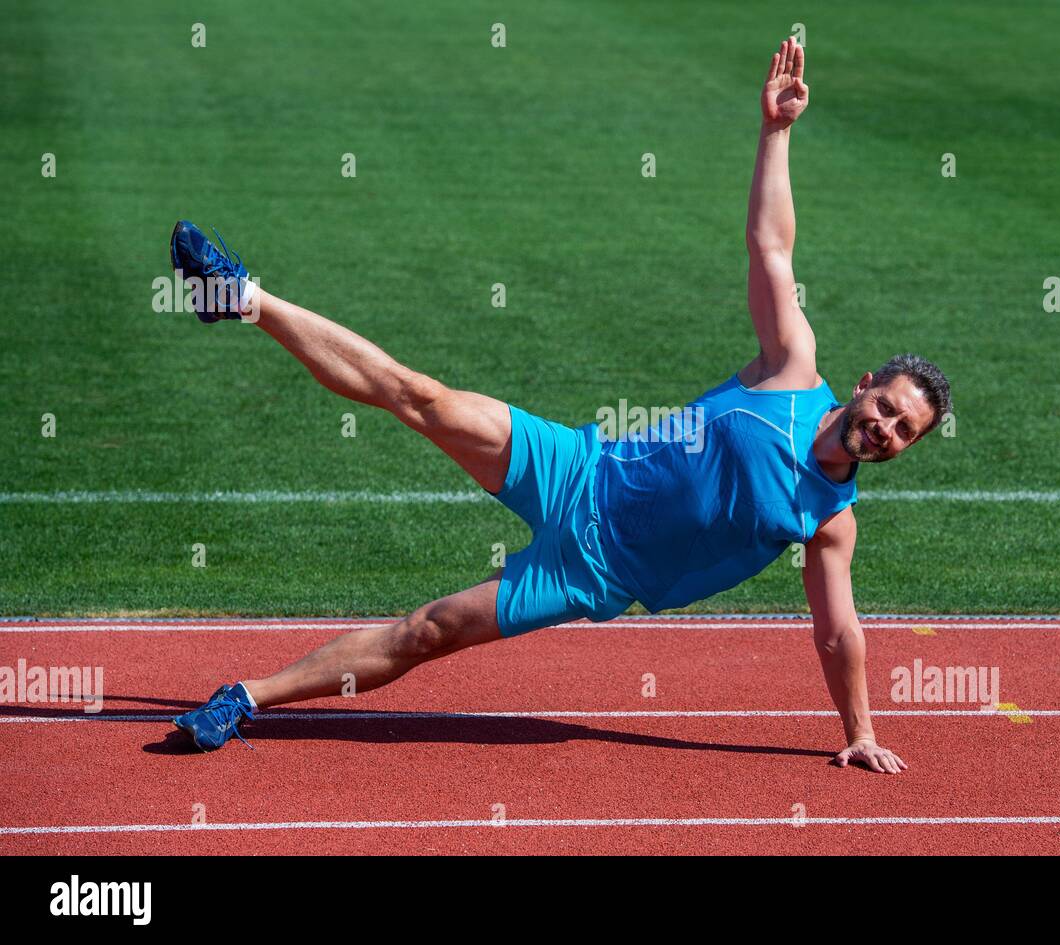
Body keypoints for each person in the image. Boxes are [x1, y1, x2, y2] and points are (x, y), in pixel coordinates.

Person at [171, 38, 949, 774]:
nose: (883, 428)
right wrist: (774, 132)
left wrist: (861, 733)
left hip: (591, 570)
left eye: (901, 431)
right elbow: (771, 249)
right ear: (863, 384)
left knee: (428, 630)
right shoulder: (790, 369)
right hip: (578, 464)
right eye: (886, 406)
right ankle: (238, 296)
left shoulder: (830, 521)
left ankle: (244, 698)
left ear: (905, 448)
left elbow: (838, 632)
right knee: (422, 396)